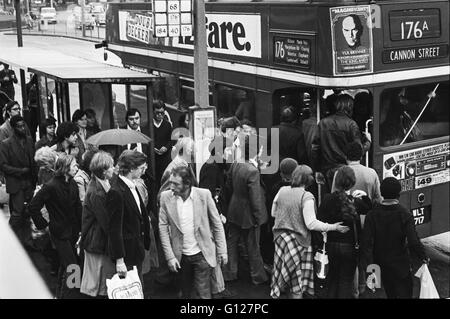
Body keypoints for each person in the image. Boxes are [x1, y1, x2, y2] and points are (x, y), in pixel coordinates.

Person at [270, 165, 349, 299]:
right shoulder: (307, 196)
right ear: (309, 180)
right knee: (297, 281)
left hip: (281, 240)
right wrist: (333, 227)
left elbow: (273, 213)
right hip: (298, 242)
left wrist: (287, 216)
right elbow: (311, 224)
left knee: (289, 280)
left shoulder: (282, 190)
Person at [159, 166, 227, 299]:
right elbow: (162, 228)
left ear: (187, 184)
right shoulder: (165, 197)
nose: (171, 187)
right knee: (184, 294)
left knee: (203, 294)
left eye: (175, 184)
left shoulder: (204, 195)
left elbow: (217, 224)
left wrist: (222, 250)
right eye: (170, 182)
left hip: (202, 253)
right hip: (180, 257)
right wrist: (170, 257)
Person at [361, 177, 428, 299]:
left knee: (390, 294)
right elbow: (413, 241)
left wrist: (369, 268)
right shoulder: (404, 214)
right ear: (399, 194)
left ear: (381, 193)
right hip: (401, 266)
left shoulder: (372, 215)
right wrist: (423, 256)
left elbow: (366, 244)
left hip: (381, 265)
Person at [28, 154, 82, 299]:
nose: (77, 167)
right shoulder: (51, 186)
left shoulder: (72, 183)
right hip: (59, 233)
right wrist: (44, 226)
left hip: (73, 232)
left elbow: (78, 207)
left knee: (65, 266)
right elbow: (33, 206)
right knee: (73, 267)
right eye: (74, 165)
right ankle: (71, 296)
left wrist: (82, 229)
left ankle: (59, 295)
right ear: (65, 168)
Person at [317, 166, 371, 298]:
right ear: (352, 183)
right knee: (346, 282)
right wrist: (365, 196)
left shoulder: (327, 199)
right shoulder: (355, 202)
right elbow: (369, 209)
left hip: (331, 245)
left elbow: (319, 221)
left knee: (332, 281)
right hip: (350, 247)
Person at [222, 136, 268, 285]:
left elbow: (228, 185)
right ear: (256, 152)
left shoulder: (236, 164)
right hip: (248, 214)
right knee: (253, 246)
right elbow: (256, 198)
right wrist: (258, 217)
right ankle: (258, 276)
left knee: (232, 243)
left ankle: (229, 273)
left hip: (234, 209)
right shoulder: (252, 171)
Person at [107, 150, 151, 283]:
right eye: (142, 168)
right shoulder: (116, 192)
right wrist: (120, 260)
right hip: (127, 254)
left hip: (135, 249)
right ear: (132, 169)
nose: (144, 171)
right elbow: (114, 229)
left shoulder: (131, 185)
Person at [311, 94, 369, 190]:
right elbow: (358, 150)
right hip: (345, 170)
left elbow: (315, 148)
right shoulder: (351, 124)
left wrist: (317, 169)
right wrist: (368, 143)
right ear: (350, 107)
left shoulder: (323, 123)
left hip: (327, 168)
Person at [80, 151, 116, 298]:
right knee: (97, 287)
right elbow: (106, 221)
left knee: (101, 284)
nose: (114, 168)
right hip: (96, 242)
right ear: (103, 171)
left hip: (98, 241)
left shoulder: (103, 184)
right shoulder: (96, 192)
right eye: (111, 166)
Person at [0, 115, 37, 250]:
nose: (22, 128)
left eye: (23, 125)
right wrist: (20, 171)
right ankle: (9, 241)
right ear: (14, 128)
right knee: (17, 214)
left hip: (29, 182)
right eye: (19, 126)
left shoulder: (29, 140)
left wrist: (34, 178)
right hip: (16, 183)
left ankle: (27, 241)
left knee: (27, 212)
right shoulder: (6, 144)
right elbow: (3, 166)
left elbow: (33, 161)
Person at [152, 100, 172, 190]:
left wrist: (166, 147)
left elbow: (170, 140)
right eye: (157, 113)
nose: (159, 115)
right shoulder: (149, 125)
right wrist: (153, 149)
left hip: (165, 158)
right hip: (153, 159)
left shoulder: (167, 125)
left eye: (162, 113)